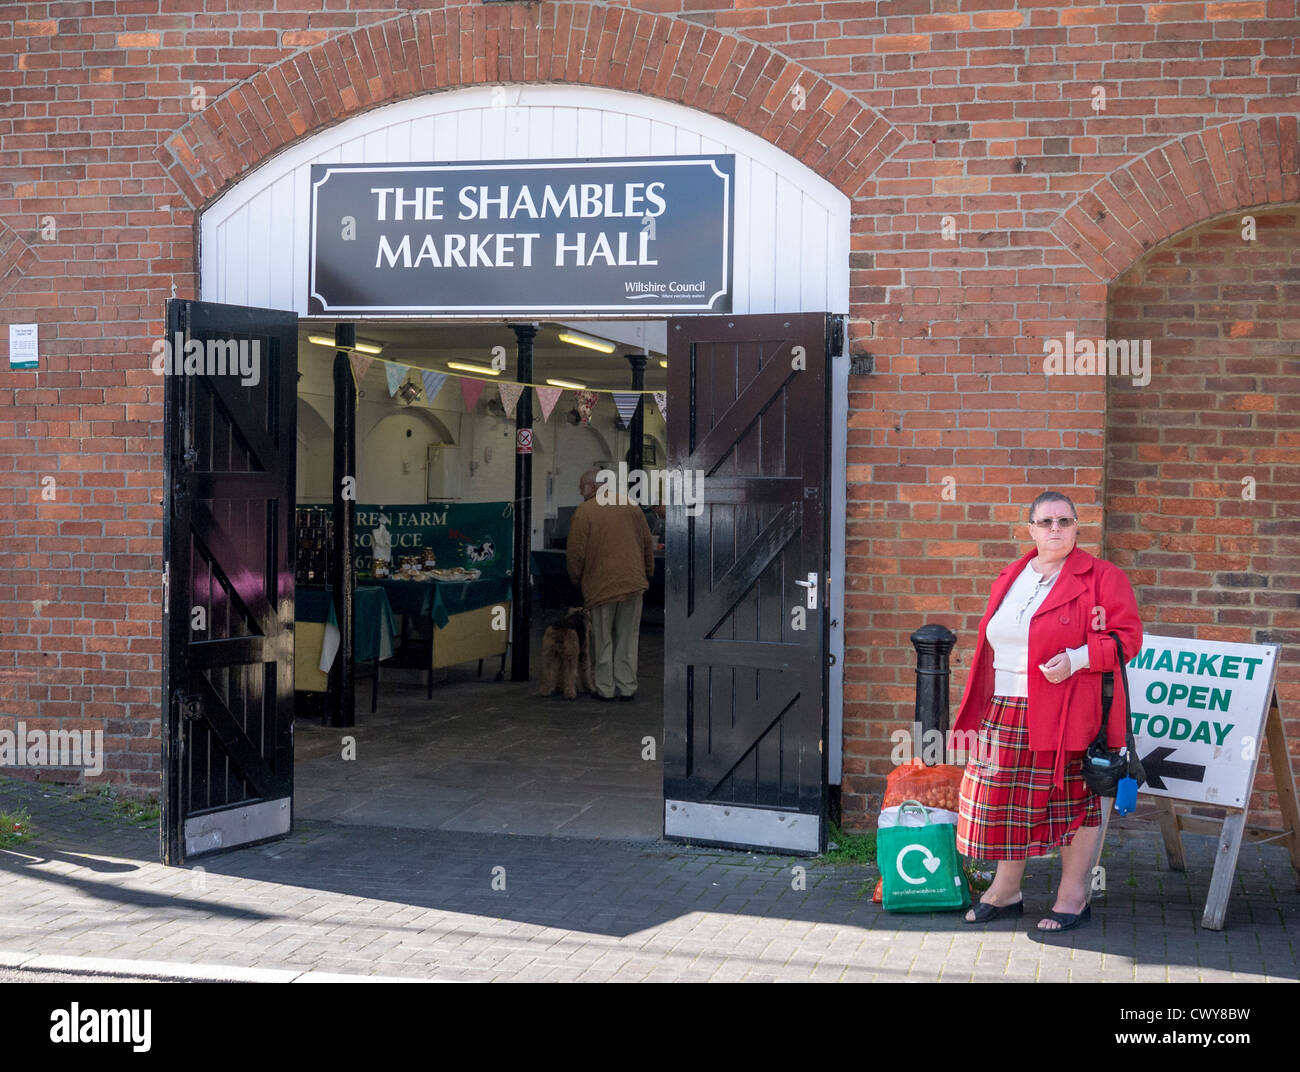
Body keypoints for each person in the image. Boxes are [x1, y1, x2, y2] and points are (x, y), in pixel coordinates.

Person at [951, 491, 1142, 932]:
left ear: (1076, 528)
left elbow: (1127, 639)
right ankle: (1006, 890)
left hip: (1068, 709)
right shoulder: (1013, 574)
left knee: (1073, 801)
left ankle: (1074, 896)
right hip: (1004, 706)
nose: (1055, 529)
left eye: (1064, 521)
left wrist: (1076, 659)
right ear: (1031, 528)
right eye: (1045, 522)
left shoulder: (1103, 577)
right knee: (1005, 800)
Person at [566, 468, 655, 701]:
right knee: (628, 638)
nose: (579, 491)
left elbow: (576, 553)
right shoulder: (631, 506)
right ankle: (627, 686)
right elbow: (647, 544)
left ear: (593, 486)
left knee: (602, 640)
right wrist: (647, 572)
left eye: (581, 486)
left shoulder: (585, 511)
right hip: (633, 584)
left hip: (600, 586)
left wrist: (576, 579)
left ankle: (605, 688)